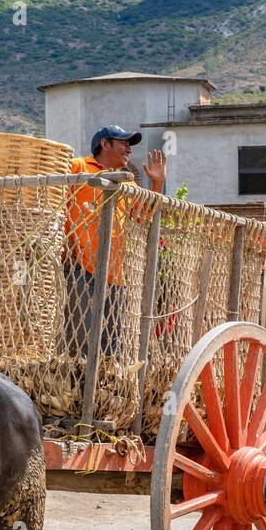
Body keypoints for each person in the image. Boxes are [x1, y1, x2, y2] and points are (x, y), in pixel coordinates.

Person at [62, 125, 167, 357]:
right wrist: (65, 243)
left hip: (115, 274)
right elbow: (57, 203)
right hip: (81, 268)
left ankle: (105, 389)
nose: (129, 149)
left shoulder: (127, 185)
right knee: (80, 339)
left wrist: (158, 183)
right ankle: (77, 387)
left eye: (130, 145)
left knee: (111, 343)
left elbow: (143, 217)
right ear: (105, 144)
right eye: (124, 143)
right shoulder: (79, 167)